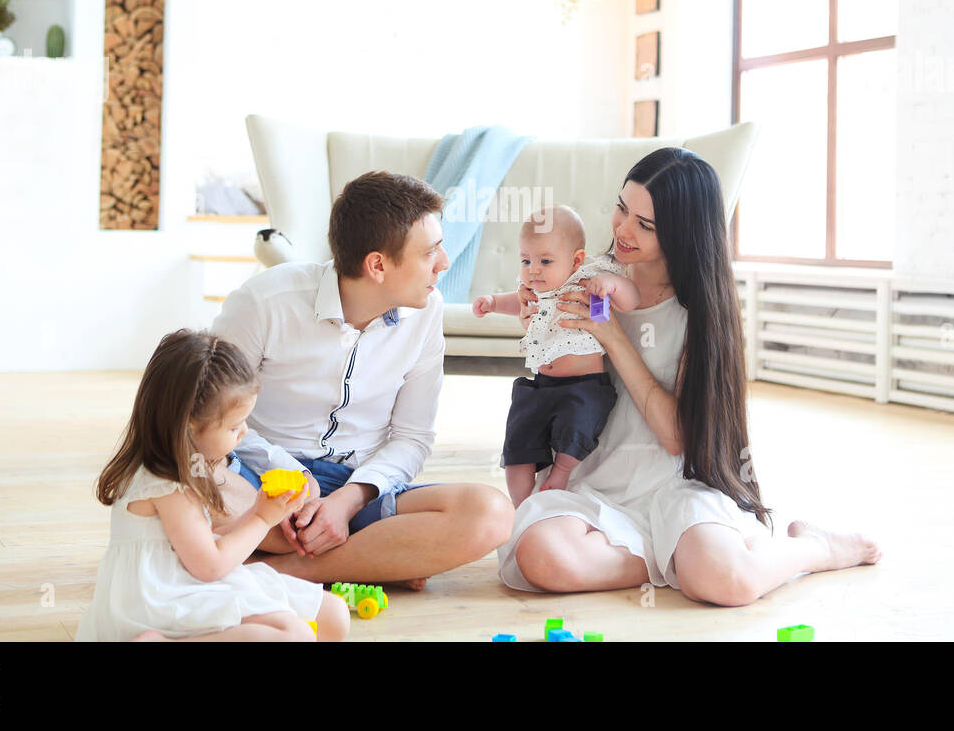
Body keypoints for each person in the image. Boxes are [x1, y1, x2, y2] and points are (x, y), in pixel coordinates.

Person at [496, 148, 882, 605]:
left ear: (682, 233)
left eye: (645, 224)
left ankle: (814, 547)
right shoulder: (589, 279)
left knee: (727, 584)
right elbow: (559, 378)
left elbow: (677, 437)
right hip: (598, 481)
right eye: (622, 208)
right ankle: (678, 560)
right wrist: (537, 325)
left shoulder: (697, 312)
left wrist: (614, 338)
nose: (622, 229)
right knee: (543, 556)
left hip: (676, 485)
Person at [211, 171, 514, 588]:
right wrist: (290, 479)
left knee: (490, 513)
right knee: (182, 478)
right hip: (258, 480)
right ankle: (375, 557)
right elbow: (206, 417)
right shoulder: (264, 301)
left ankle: (277, 570)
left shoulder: (426, 311)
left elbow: (412, 437)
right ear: (377, 265)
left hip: (360, 486)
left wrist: (346, 503)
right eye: (431, 253)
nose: (444, 263)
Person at [76, 329, 350, 641]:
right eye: (235, 426)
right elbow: (209, 565)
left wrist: (260, 512)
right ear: (189, 425)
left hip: (185, 580)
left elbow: (205, 540)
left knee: (333, 616)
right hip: (161, 600)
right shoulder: (167, 482)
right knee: (294, 635)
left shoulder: (187, 463)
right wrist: (262, 519)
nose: (244, 432)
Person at [473, 204, 640, 506]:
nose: (533, 270)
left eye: (545, 260)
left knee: (576, 430)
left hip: (583, 386)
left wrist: (613, 286)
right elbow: (516, 301)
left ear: (575, 260)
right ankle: (522, 506)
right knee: (517, 448)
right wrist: (493, 302)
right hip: (540, 386)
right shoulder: (534, 288)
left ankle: (561, 472)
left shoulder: (588, 279)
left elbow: (630, 300)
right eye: (526, 260)